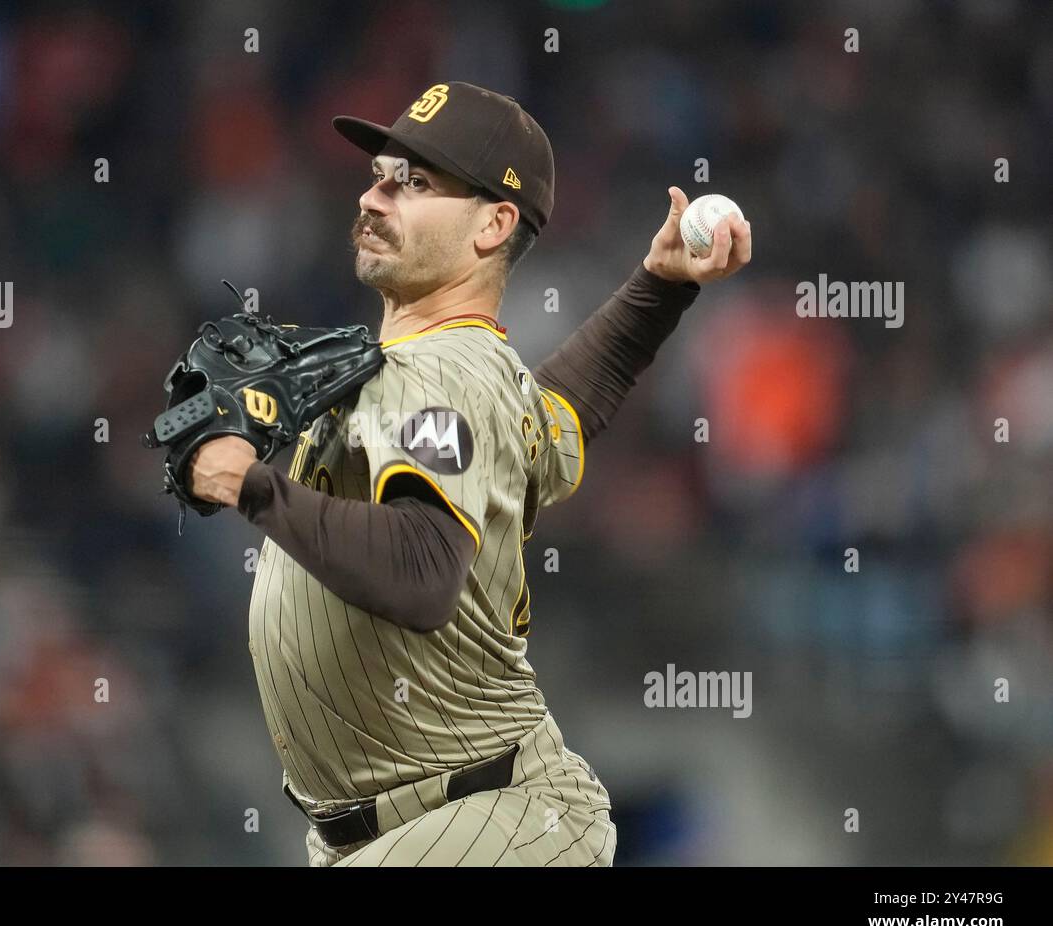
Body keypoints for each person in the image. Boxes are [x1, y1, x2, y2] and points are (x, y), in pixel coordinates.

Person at [187, 81, 751, 866]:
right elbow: (553, 415)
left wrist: (250, 484)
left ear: (494, 223)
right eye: (381, 173)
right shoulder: (466, 375)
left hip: (476, 820)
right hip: (436, 823)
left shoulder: (443, 370)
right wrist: (658, 288)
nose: (377, 196)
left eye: (413, 182)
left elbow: (423, 572)